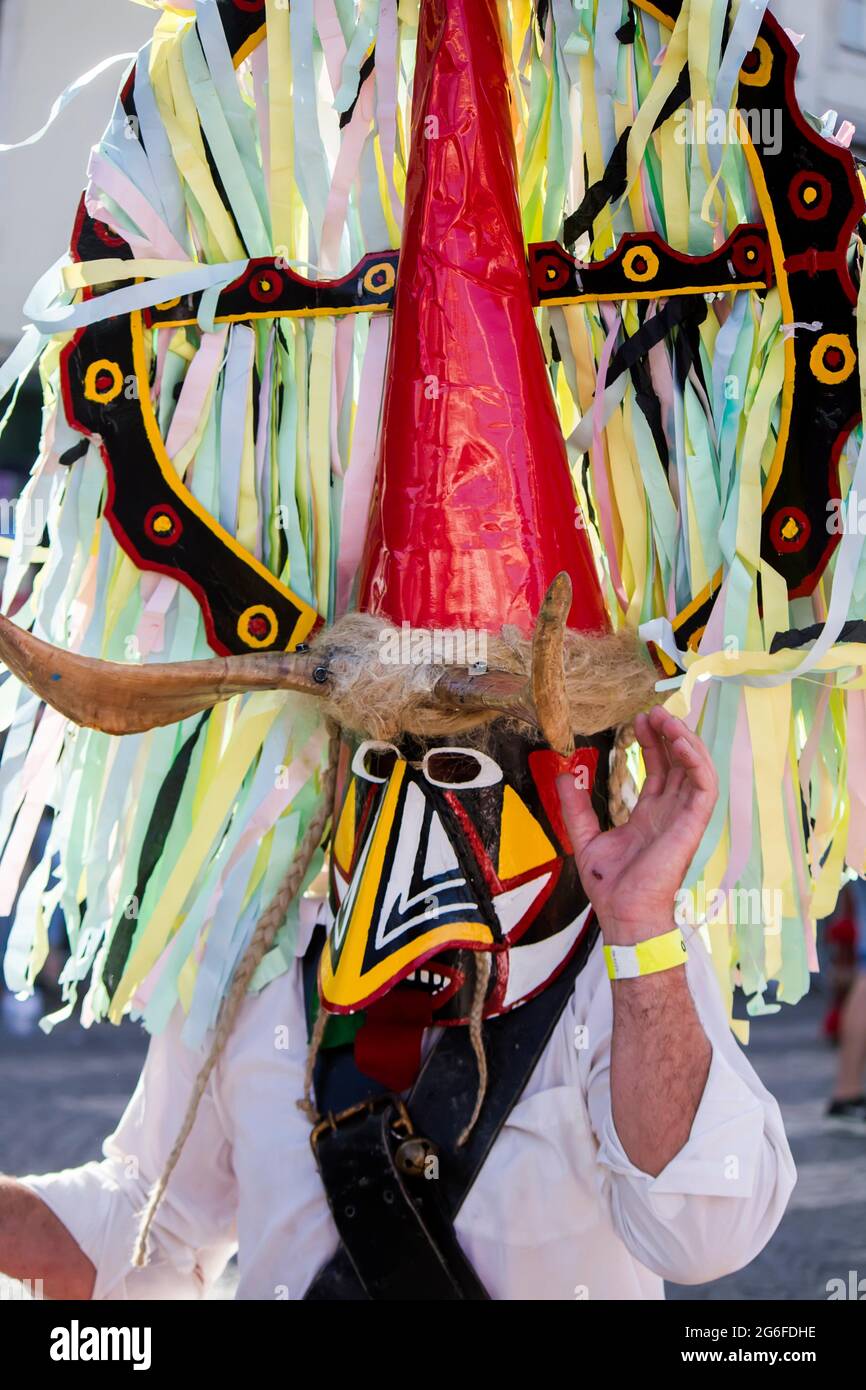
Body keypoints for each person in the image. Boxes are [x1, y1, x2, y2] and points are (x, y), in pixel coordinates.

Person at [0, 705, 795, 1300]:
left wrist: (640, 928)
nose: (418, 807)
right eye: (386, 757)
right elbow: (149, 1222)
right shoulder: (266, 956)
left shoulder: (623, 964)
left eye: (462, 764)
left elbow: (701, 1233)